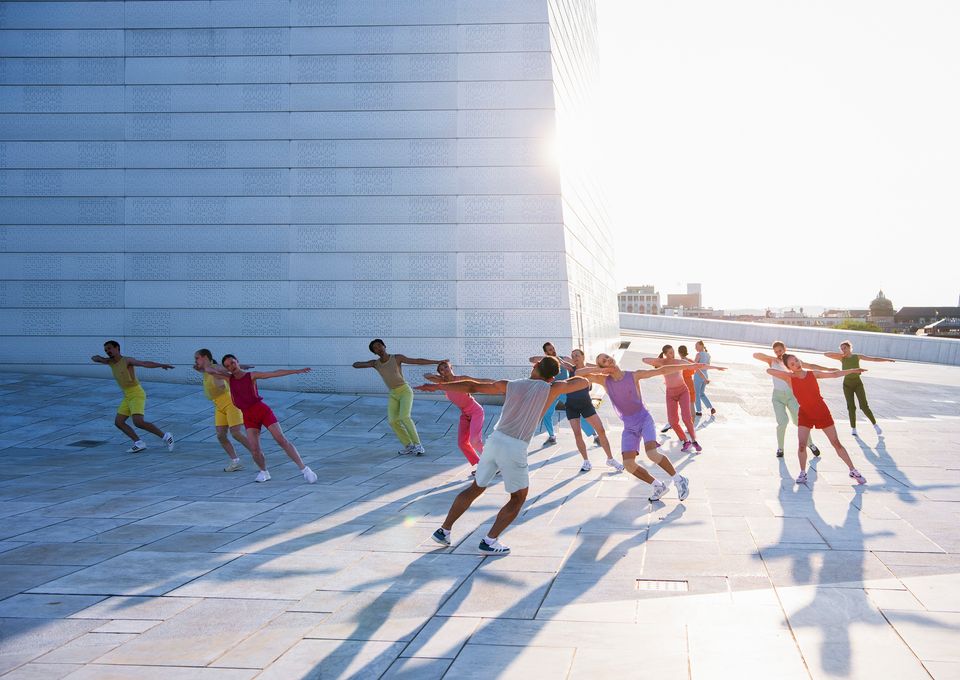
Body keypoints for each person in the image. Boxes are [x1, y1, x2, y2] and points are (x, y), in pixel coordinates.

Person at [419, 356, 589, 555]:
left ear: (534, 367)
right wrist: (565, 374)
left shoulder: (511, 385)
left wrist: (441, 386)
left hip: (494, 441)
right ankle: (489, 541)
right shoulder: (553, 388)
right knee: (518, 498)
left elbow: (472, 387)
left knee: (476, 488)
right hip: (514, 446)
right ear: (551, 376)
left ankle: (444, 530)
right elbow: (583, 382)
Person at [579, 354, 711, 501]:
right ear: (602, 367)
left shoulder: (634, 375)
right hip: (629, 426)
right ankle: (658, 486)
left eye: (608, 357)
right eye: (603, 362)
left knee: (652, 453)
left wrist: (688, 366)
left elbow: (662, 370)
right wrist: (598, 369)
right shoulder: (604, 380)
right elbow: (578, 373)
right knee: (628, 464)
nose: (608, 360)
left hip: (644, 419)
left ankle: (679, 480)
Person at [204, 355, 317, 484]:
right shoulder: (228, 378)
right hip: (248, 416)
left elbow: (274, 373)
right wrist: (222, 369)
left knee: (281, 440)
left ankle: (305, 470)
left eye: (233, 363)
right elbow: (209, 370)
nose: (231, 367)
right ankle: (264, 472)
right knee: (255, 449)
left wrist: (296, 371)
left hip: (262, 411)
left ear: (238, 362)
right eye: (228, 366)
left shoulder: (251, 376)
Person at [766, 354, 867, 485]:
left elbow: (835, 374)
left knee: (836, 442)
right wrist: (789, 374)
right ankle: (803, 473)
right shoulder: (789, 378)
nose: (796, 364)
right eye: (792, 364)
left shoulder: (812, 374)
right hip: (805, 413)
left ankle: (853, 470)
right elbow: (769, 371)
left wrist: (852, 370)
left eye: (796, 360)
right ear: (788, 367)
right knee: (802, 445)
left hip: (821, 411)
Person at [352, 339, 445, 455]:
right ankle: (409, 445)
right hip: (393, 394)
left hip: (405, 391)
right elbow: (355, 365)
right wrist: (368, 364)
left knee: (404, 417)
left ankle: (418, 445)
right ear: (374, 352)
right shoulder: (376, 364)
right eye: (375, 348)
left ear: (384, 346)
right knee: (393, 421)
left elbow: (416, 361)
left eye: (380, 346)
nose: (378, 349)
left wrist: (437, 362)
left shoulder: (396, 358)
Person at [91, 340, 175, 453]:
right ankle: (139, 443)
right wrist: (99, 358)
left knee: (138, 422)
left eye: (110, 348)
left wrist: (160, 365)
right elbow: (95, 358)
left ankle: (166, 436)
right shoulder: (110, 362)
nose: (108, 351)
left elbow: (144, 363)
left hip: (136, 393)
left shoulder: (127, 360)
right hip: (127, 395)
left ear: (117, 348)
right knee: (119, 422)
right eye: (106, 350)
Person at [644, 345, 725, 453]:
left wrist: (715, 367)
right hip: (670, 394)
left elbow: (697, 366)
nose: (672, 355)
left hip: (683, 391)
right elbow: (644, 360)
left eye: (673, 352)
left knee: (686, 418)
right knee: (673, 422)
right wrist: (659, 360)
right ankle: (685, 441)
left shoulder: (679, 362)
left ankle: (694, 441)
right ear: (665, 354)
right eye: (669, 353)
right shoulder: (662, 363)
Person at [753, 341, 827, 458]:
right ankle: (780, 448)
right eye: (776, 351)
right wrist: (774, 358)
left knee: (800, 422)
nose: (778, 353)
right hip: (777, 397)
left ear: (785, 349)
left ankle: (811, 444)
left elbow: (811, 366)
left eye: (780, 350)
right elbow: (755, 355)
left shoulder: (792, 362)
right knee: (782, 422)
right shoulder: (772, 361)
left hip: (792, 396)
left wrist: (828, 369)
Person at [423, 361, 491, 476]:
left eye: (446, 367)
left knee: (475, 441)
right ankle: (482, 465)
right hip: (464, 415)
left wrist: (497, 384)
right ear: (440, 373)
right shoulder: (443, 383)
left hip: (475, 411)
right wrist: (440, 378)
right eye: (441, 369)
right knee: (462, 443)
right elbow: (427, 375)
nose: (445, 369)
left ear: (451, 367)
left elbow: (479, 381)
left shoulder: (461, 379)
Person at [193, 349, 256, 472]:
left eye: (197, 358)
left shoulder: (215, 367)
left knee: (236, 433)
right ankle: (235, 462)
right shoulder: (204, 369)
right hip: (218, 405)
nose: (195, 361)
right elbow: (199, 368)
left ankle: (257, 453)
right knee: (221, 435)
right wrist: (198, 366)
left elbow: (225, 368)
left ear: (205, 357)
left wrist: (240, 366)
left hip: (230, 402)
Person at [564, 349, 622, 473]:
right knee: (577, 434)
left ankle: (610, 459)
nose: (575, 358)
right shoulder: (572, 369)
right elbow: (577, 370)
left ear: (583, 356)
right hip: (571, 405)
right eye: (573, 356)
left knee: (601, 430)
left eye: (577, 355)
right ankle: (586, 461)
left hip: (586, 404)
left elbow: (603, 374)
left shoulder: (590, 369)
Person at [824, 341, 894, 437]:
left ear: (850, 347)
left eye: (845, 348)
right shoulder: (842, 358)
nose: (843, 350)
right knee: (851, 407)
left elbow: (873, 359)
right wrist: (841, 354)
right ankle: (853, 428)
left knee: (864, 406)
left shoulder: (857, 356)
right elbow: (826, 354)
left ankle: (875, 425)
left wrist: (886, 359)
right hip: (847, 385)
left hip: (857, 384)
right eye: (841, 348)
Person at [660, 344, 697, 434]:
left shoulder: (678, 362)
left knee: (676, 406)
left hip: (680, 385)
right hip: (689, 384)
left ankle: (672, 423)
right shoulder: (689, 361)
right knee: (691, 405)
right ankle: (691, 426)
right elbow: (695, 369)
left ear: (679, 352)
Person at [693, 340, 716, 416]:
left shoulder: (698, 354)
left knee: (696, 394)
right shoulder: (708, 355)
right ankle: (711, 407)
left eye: (697, 346)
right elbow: (708, 366)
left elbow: (694, 365)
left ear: (701, 346)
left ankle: (699, 411)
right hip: (705, 375)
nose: (695, 348)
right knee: (702, 393)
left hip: (698, 375)